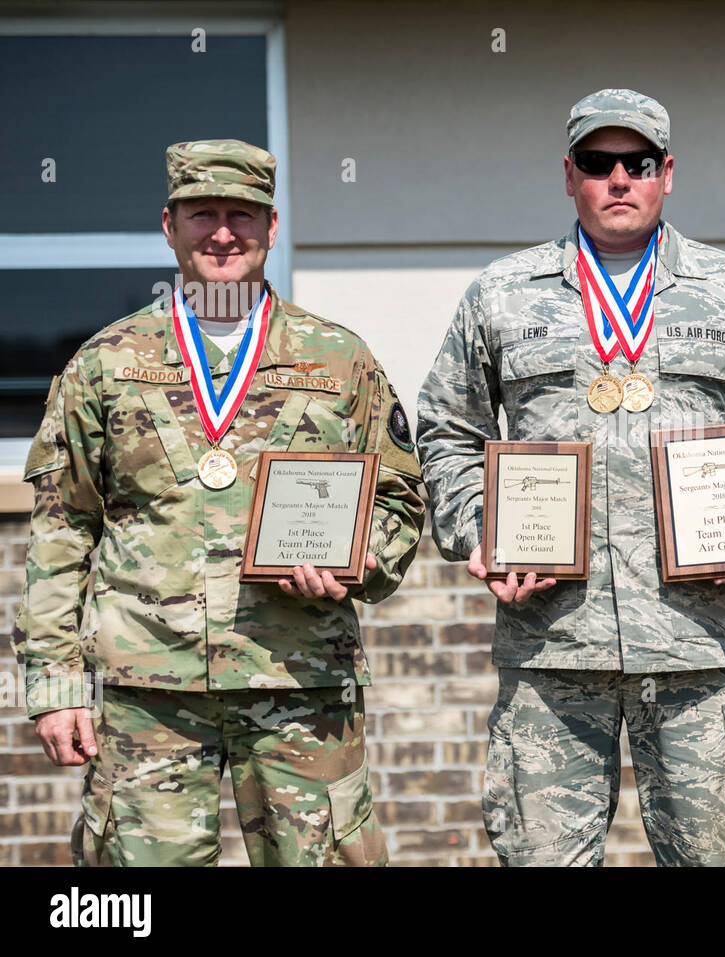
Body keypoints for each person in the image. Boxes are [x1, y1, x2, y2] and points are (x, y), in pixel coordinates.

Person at [417, 89, 725, 866]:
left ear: (667, 173)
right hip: (552, 648)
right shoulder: (503, 294)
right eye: (598, 162)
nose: (619, 179)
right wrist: (481, 527)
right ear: (569, 174)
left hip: (695, 647)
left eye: (636, 162)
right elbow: (446, 432)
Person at [11, 139, 426, 866]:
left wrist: (362, 560)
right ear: (169, 226)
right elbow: (60, 526)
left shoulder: (338, 358)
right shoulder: (105, 363)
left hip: (298, 681)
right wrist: (53, 683)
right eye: (204, 213)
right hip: (148, 691)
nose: (224, 232)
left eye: (243, 214)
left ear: (271, 226)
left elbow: (398, 493)